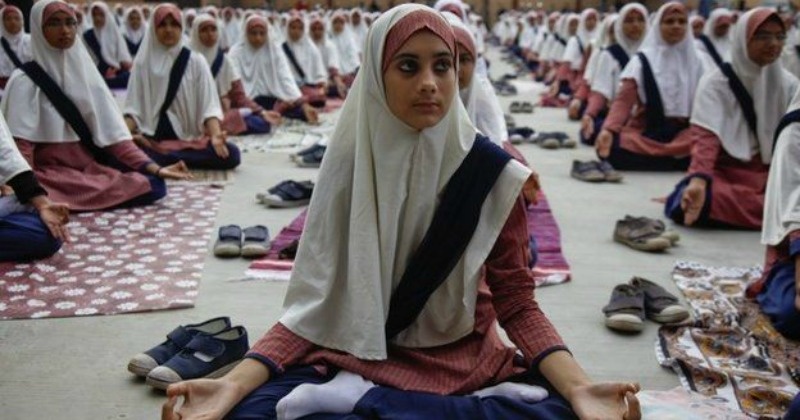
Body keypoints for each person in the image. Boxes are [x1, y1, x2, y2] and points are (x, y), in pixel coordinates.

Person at [161, 5, 641, 420]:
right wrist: (233, 383)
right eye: (408, 67)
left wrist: (578, 385)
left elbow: (516, 299)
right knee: (248, 412)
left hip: (465, 361)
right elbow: (313, 310)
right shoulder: (348, 171)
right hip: (361, 352)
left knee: (564, 410)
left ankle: (368, 402)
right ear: (376, 77)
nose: (430, 84)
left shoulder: (493, 173)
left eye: (444, 66)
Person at [1, 0, 190, 212]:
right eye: (54, 23)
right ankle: (42, 202)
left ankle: (59, 202)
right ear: (38, 28)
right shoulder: (24, 81)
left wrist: (156, 169)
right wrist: (21, 187)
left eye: (70, 23)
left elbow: (116, 139)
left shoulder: (86, 74)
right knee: (31, 194)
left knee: (154, 185)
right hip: (48, 175)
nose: (64, 30)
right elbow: (21, 146)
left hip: (87, 171)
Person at [666, 8, 798, 229]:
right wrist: (699, 179)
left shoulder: (789, 84)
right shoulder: (716, 83)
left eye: (779, 36)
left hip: (773, 175)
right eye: (763, 36)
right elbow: (705, 138)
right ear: (743, 38)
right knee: (701, 197)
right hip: (728, 173)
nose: (773, 43)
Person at [124, 4, 240, 171]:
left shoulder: (196, 61)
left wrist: (215, 135)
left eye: (174, 24)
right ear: (153, 29)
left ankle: (159, 159)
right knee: (121, 153)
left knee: (232, 154)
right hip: (154, 138)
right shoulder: (142, 64)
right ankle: (157, 157)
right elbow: (133, 110)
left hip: (189, 140)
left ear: (182, 27)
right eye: (163, 25)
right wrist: (123, 138)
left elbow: (209, 107)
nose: (169, 30)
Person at [595, 2, 704, 171]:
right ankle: (674, 159)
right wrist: (608, 129)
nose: (676, 26)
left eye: (681, 22)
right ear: (658, 26)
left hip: (684, 132)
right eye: (669, 22)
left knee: (705, 144)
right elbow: (624, 101)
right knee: (613, 145)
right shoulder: (642, 60)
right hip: (648, 130)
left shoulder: (699, 61)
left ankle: (665, 158)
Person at [746, 87, 800, 342]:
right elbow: (796, 214)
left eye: (780, 41)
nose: (773, 45)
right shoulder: (796, 133)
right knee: (794, 315)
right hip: (794, 259)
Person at [189, 14, 281, 136]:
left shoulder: (224, 60)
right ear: (196, 33)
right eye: (204, 30)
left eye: (213, 29)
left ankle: (217, 127)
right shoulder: (187, 60)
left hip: (220, 113)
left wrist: (262, 112)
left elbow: (239, 96)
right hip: (192, 114)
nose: (210, 34)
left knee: (262, 124)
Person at [1, 110, 68, 262]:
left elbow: (5, 152)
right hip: (48, 170)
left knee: (46, 234)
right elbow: (22, 144)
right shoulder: (25, 86)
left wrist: (41, 203)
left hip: (71, 170)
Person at [228, 15, 319, 124]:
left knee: (299, 111)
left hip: (270, 98)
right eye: (254, 33)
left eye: (262, 33)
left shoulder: (274, 50)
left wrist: (303, 104)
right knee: (258, 123)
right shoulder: (235, 53)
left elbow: (285, 77)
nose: (258, 38)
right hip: (245, 101)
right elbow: (237, 94)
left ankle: (275, 111)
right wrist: (259, 110)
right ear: (246, 33)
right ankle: (270, 113)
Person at [580, 3, 647, 146]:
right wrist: (589, 114)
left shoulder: (652, 54)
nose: (635, 25)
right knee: (596, 133)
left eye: (640, 20)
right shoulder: (609, 54)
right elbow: (600, 91)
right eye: (629, 21)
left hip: (649, 120)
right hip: (616, 115)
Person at [282, 14, 328, 108]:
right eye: (293, 27)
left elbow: (319, 71)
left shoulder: (311, 48)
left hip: (306, 86)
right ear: (287, 29)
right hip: (287, 87)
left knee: (318, 97)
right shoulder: (281, 48)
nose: (296, 31)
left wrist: (322, 86)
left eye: (300, 28)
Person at [83, 1, 132, 89]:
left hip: (117, 70)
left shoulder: (114, 32)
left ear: (107, 16)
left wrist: (117, 68)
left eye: (101, 15)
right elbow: (88, 60)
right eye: (95, 15)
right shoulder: (87, 35)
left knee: (129, 77)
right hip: (97, 72)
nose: (98, 18)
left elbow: (123, 57)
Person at [308, 16, 348, 99]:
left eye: (320, 29)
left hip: (328, 80)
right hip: (309, 82)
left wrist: (338, 83)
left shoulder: (330, 46)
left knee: (335, 89)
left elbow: (333, 68)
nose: (317, 32)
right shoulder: (306, 47)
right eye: (314, 29)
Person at [0, 5, 30, 90]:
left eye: (17, 18)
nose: (13, 22)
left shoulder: (30, 41)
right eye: (8, 19)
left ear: (22, 21)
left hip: (26, 88)